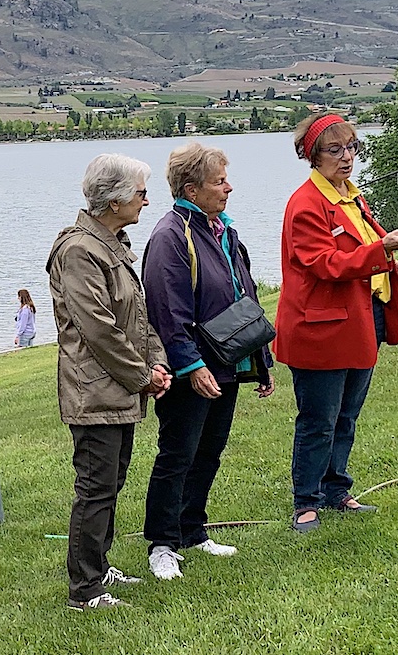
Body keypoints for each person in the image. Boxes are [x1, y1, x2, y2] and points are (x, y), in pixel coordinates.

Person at [140, 141, 274, 580]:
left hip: (229, 362)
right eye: (220, 181)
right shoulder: (169, 236)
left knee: (210, 450)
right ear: (192, 190)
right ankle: (162, 543)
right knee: (178, 451)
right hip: (191, 369)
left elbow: (244, 295)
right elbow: (167, 310)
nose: (229, 188)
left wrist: (260, 359)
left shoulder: (224, 231)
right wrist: (190, 366)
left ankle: (193, 530)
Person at [276, 114, 398, 533]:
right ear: (312, 156)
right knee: (319, 418)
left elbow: (363, 251)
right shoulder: (306, 204)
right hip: (320, 328)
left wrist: (391, 262)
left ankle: (336, 491)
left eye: (351, 147)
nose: (347, 157)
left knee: (347, 415)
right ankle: (306, 502)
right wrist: (381, 251)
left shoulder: (350, 197)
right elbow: (324, 264)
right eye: (334, 150)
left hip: (358, 319)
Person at [46, 154, 172, 610]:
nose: (146, 200)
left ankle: (98, 564)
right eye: (140, 192)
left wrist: (155, 361)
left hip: (117, 387)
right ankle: (85, 590)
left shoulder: (112, 244)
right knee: (96, 488)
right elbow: (98, 328)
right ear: (115, 198)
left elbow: (136, 316)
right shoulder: (80, 250)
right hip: (94, 390)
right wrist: (143, 376)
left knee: (112, 482)